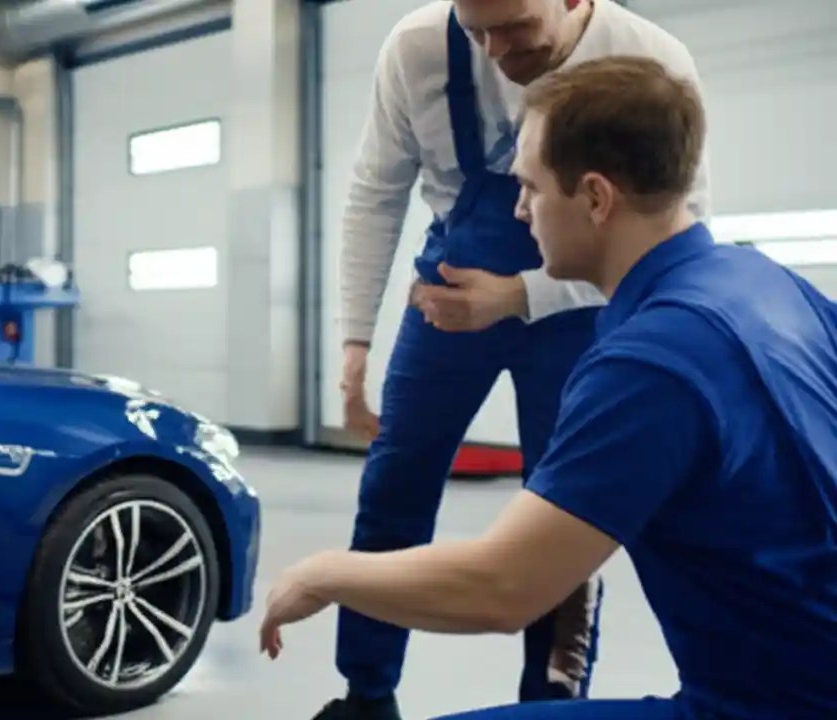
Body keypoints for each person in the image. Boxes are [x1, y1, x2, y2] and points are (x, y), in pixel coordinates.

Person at [266, 54, 837, 720]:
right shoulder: (766, 280)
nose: (519, 209)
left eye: (531, 188)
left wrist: (323, 574)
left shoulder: (651, 362)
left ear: (596, 198)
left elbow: (504, 588)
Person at [331, 0, 709, 717]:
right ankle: (366, 691)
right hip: (448, 292)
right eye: (477, 32)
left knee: (566, 512)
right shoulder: (415, 51)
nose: (496, 51)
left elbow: (675, 230)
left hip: (580, 310)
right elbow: (374, 193)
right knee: (391, 493)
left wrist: (520, 296)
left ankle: (550, 702)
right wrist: (355, 341)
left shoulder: (653, 61)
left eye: (515, 28)